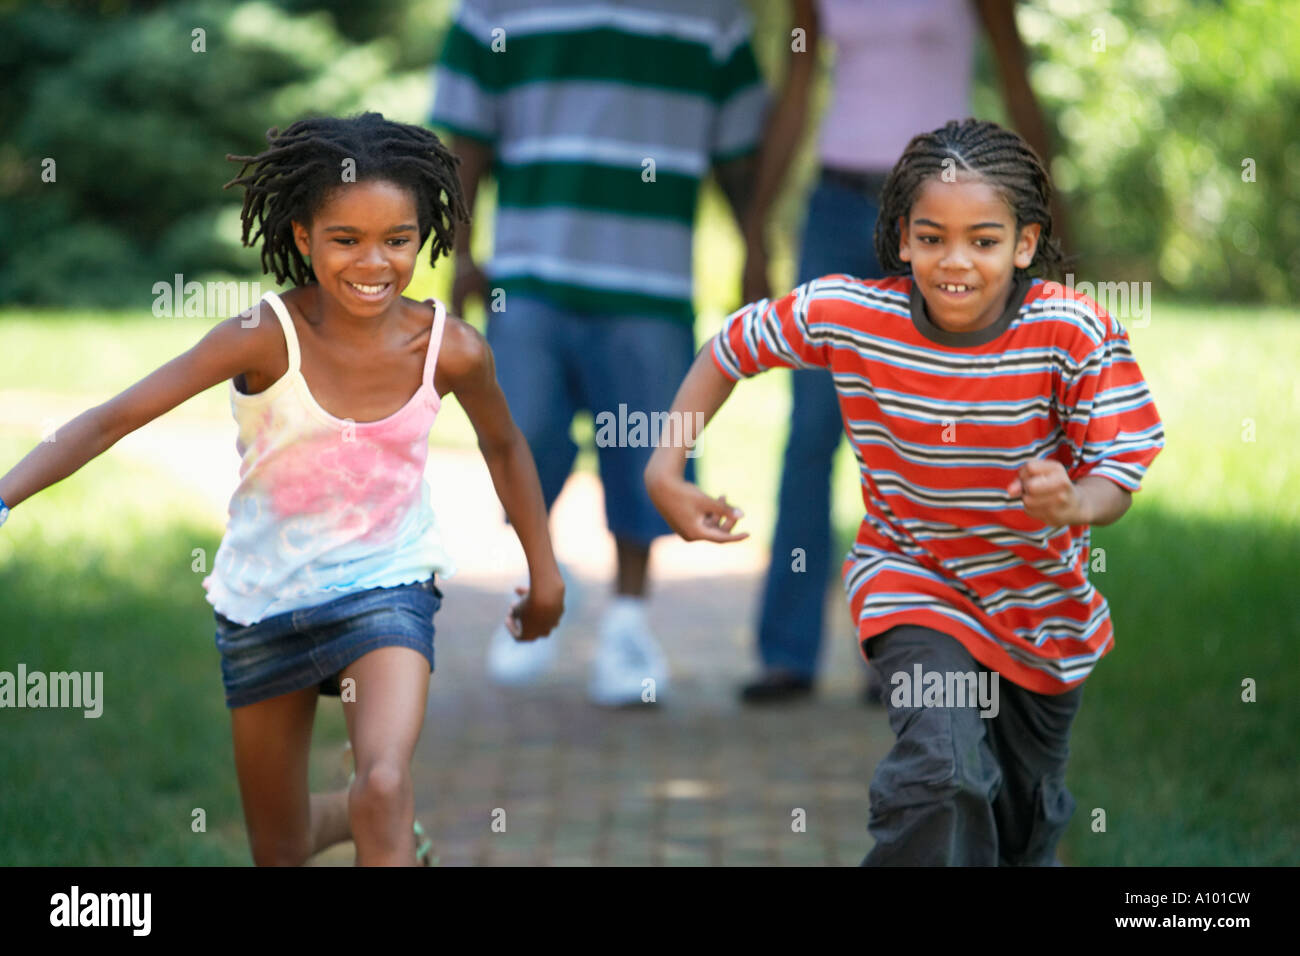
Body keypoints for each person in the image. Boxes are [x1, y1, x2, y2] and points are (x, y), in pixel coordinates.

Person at [0, 112, 564, 866]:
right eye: (346, 240)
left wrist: (545, 570)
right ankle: (361, 817)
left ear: (424, 234)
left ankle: (379, 814)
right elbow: (112, 420)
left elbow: (504, 445)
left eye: (398, 239)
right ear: (301, 237)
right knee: (280, 847)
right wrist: (4, 498)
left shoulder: (451, 349)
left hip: (386, 584)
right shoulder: (263, 336)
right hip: (265, 598)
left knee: (387, 781)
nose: (375, 262)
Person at [646, 118, 1164, 865]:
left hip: (1040, 616)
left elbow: (1118, 464)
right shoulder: (856, 316)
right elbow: (733, 344)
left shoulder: (1071, 332)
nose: (956, 262)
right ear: (901, 240)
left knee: (1022, 833)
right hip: (914, 582)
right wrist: (666, 465)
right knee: (942, 775)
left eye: (983, 241)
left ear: (1024, 244)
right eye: (932, 238)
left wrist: (1078, 501)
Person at [428, 0, 767, 705]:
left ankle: (629, 624)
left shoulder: (714, 16)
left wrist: (756, 244)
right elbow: (464, 143)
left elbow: (740, 153)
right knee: (523, 438)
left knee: (651, 458)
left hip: (652, 279)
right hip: (526, 272)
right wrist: (460, 255)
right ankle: (542, 584)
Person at [740, 0, 1072, 705]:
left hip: (938, 216)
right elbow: (797, 89)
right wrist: (756, 227)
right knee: (811, 431)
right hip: (833, 208)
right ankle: (786, 655)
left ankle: (906, 646)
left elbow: (1016, 84)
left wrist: (1047, 222)